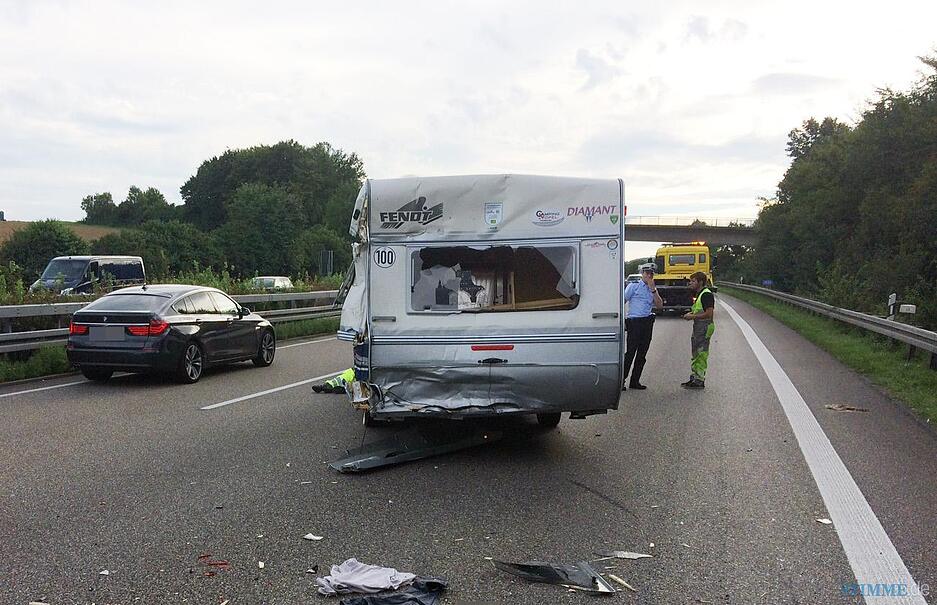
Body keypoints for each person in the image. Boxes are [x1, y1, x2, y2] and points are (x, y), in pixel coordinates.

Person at [622, 262, 663, 390]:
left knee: (642, 354)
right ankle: (621, 381)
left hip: (647, 322)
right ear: (642, 274)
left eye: (651, 273)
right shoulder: (633, 286)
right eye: (647, 273)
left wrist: (653, 290)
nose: (649, 275)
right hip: (635, 322)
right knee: (630, 353)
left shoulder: (653, 289)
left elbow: (660, 306)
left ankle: (635, 381)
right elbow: (622, 300)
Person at [681, 271, 715, 389]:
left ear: (700, 282)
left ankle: (699, 380)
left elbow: (709, 314)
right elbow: (699, 310)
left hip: (704, 326)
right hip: (699, 326)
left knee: (701, 353)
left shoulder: (706, 294)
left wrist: (692, 316)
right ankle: (695, 377)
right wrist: (691, 313)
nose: (690, 283)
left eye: (693, 281)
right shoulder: (700, 294)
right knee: (696, 352)